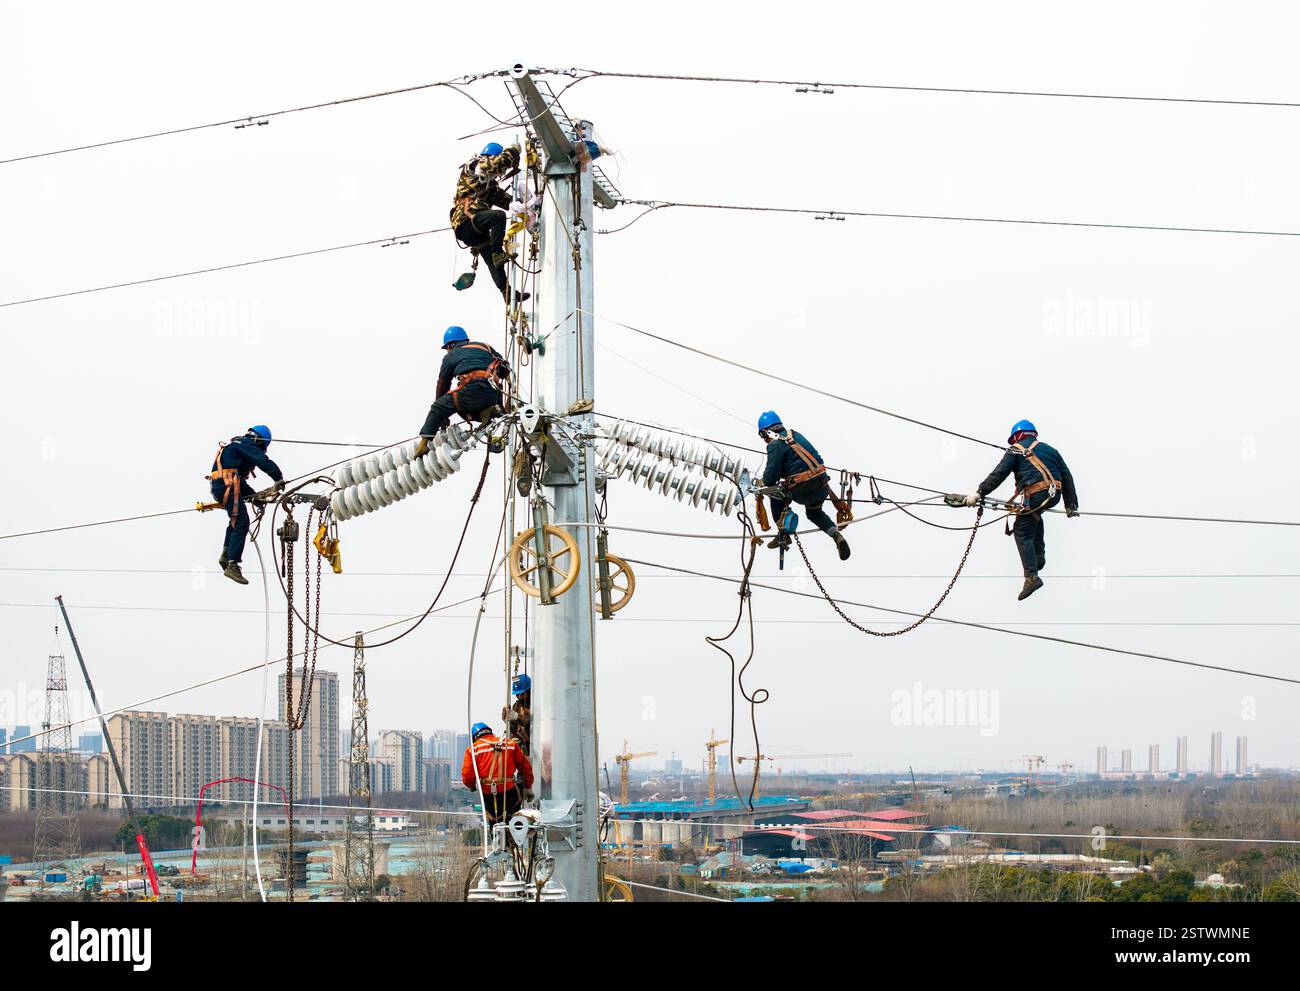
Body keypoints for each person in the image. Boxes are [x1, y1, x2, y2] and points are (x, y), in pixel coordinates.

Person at [963, 419, 1079, 601]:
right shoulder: (1051, 450)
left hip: (1036, 493)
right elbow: (1067, 475)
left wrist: (980, 492)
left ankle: (1031, 577)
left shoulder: (1015, 449)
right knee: (1033, 515)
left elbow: (999, 473)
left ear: (1017, 436)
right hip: (1054, 495)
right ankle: (1038, 556)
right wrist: (1071, 505)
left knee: (1021, 531)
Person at [757, 411, 851, 560]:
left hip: (803, 489)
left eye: (762, 436)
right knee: (814, 513)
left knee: (773, 492)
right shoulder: (795, 434)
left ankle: (783, 534)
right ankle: (835, 534)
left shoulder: (775, 445)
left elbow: (770, 479)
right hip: (822, 486)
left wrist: (762, 483)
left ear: (765, 432)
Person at [450, 142, 530, 305]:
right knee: (498, 217)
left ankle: (506, 292)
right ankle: (497, 252)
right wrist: (512, 152)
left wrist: (527, 203)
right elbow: (492, 165)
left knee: (493, 263)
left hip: (475, 229)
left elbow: (506, 201)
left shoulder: (489, 187)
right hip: (466, 220)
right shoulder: (473, 165)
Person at [415, 326, 511, 457]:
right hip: (493, 392)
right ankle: (490, 411)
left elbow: (443, 385)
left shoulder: (450, 356)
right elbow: (504, 368)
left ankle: (423, 444)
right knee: (482, 403)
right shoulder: (484, 346)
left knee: (438, 407)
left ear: (449, 346)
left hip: (471, 390)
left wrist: (442, 416)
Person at [208, 425, 283, 585]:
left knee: (235, 520)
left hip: (223, 486)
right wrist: (278, 478)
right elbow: (261, 460)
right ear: (258, 440)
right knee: (242, 522)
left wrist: (255, 497)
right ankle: (233, 564)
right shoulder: (245, 445)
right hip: (228, 486)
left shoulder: (234, 447)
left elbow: (239, 481)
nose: (260, 450)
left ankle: (226, 555)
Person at [461, 721, 534, 824]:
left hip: (489, 795)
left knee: (494, 822)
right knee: (513, 818)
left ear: (474, 737)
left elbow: (467, 775)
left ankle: (496, 835)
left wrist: (471, 785)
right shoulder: (510, 744)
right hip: (509, 792)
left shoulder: (472, 750)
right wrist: (528, 786)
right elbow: (525, 767)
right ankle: (515, 834)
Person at [503, 673, 532, 756]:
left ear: (529, 690)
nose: (519, 697)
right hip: (525, 745)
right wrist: (508, 721)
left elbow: (534, 722)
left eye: (521, 694)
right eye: (517, 694)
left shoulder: (536, 703)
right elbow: (516, 730)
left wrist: (517, 717)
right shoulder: (517, 706)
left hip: (536, 743)